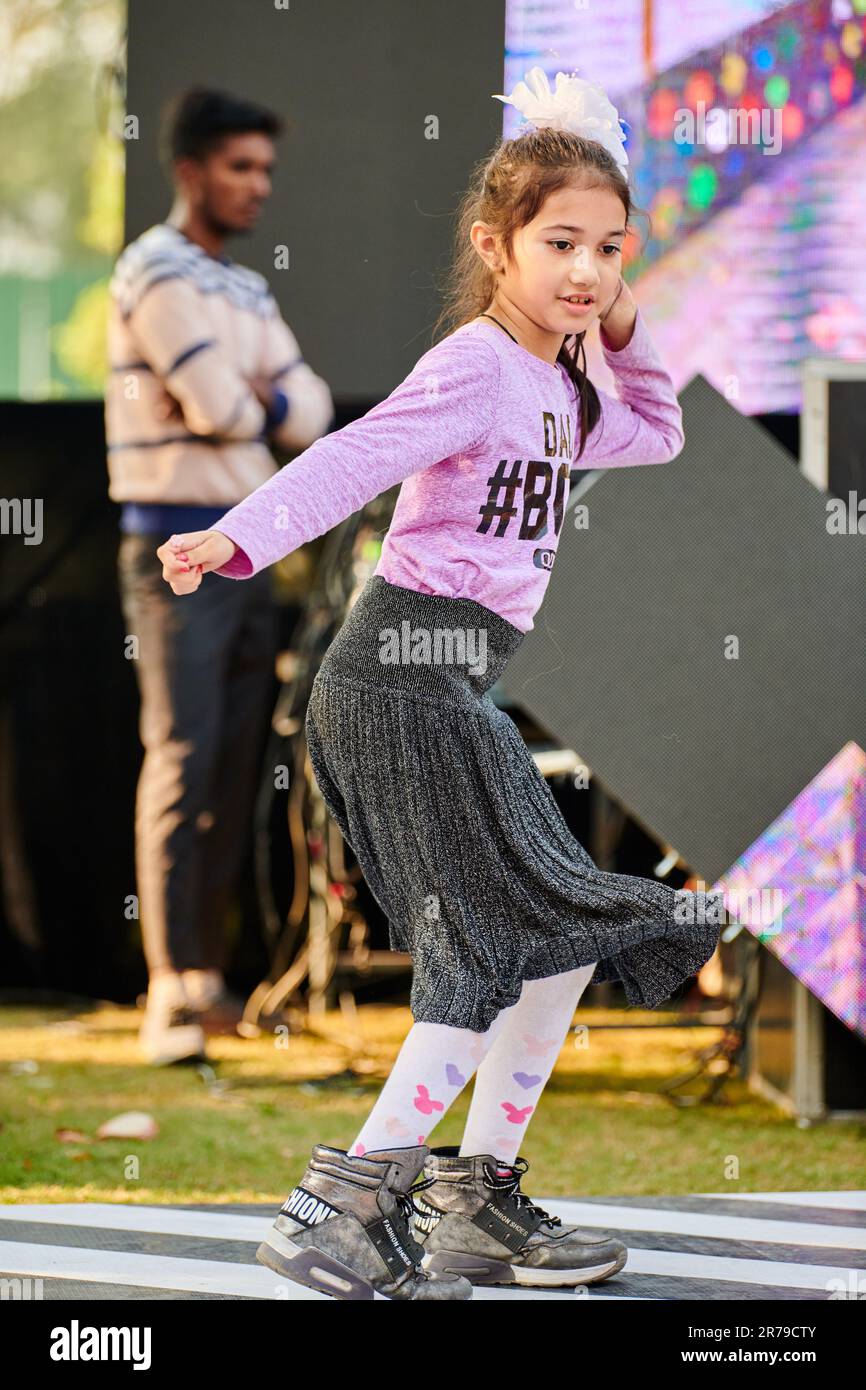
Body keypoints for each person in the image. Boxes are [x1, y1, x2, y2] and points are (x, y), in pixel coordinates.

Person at [156, 68, 726, 1300]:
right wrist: (238, 536)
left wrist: (619, 325)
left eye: (609, 249)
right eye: (559, 244)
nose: (584, 271)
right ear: (495, 245)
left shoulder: (568, 383)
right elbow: (358, 453)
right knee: (484, 948)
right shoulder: (477, 364)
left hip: (450, 691)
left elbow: (662, 429)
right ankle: (338, 1212)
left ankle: (474, 1205)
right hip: (396, 682)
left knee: (557, 933)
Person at [105, 88, 334, 1066]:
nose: (259, 188)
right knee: (182, 753)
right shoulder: (152, 270)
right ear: (191, 170)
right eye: (240, 167)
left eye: (267, 171)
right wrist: (257, 398)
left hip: (248, 541)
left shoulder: (240, 287)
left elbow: (311, 413)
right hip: (172, 546)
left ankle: (208, 981)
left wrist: (262, 397)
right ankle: (168, 988)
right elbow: (214, 409)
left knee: (236, 762)